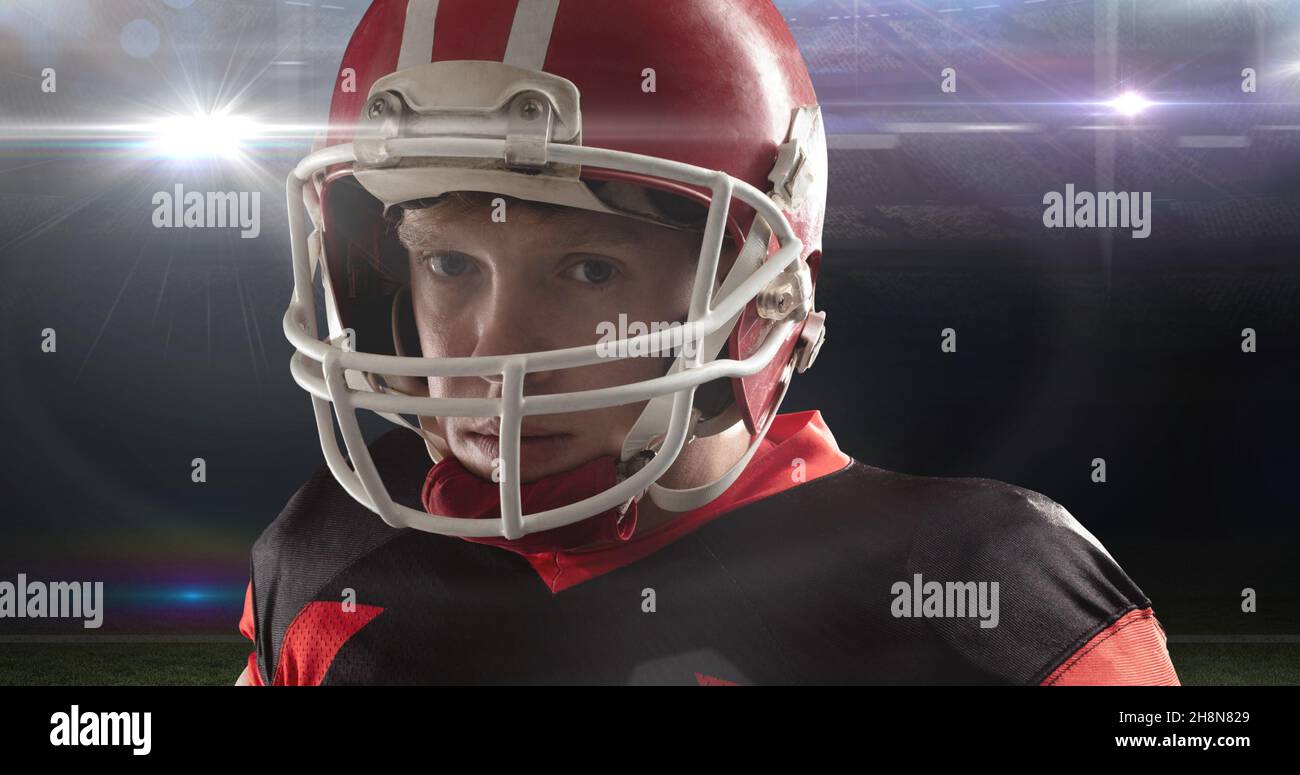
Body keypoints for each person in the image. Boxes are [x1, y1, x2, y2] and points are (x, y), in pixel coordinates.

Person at [237, 0, 1178, 685]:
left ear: (755, 294)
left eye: (589, 270)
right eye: (449, 265)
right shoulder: (334, 547)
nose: (495, 349)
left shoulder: (984, 586)